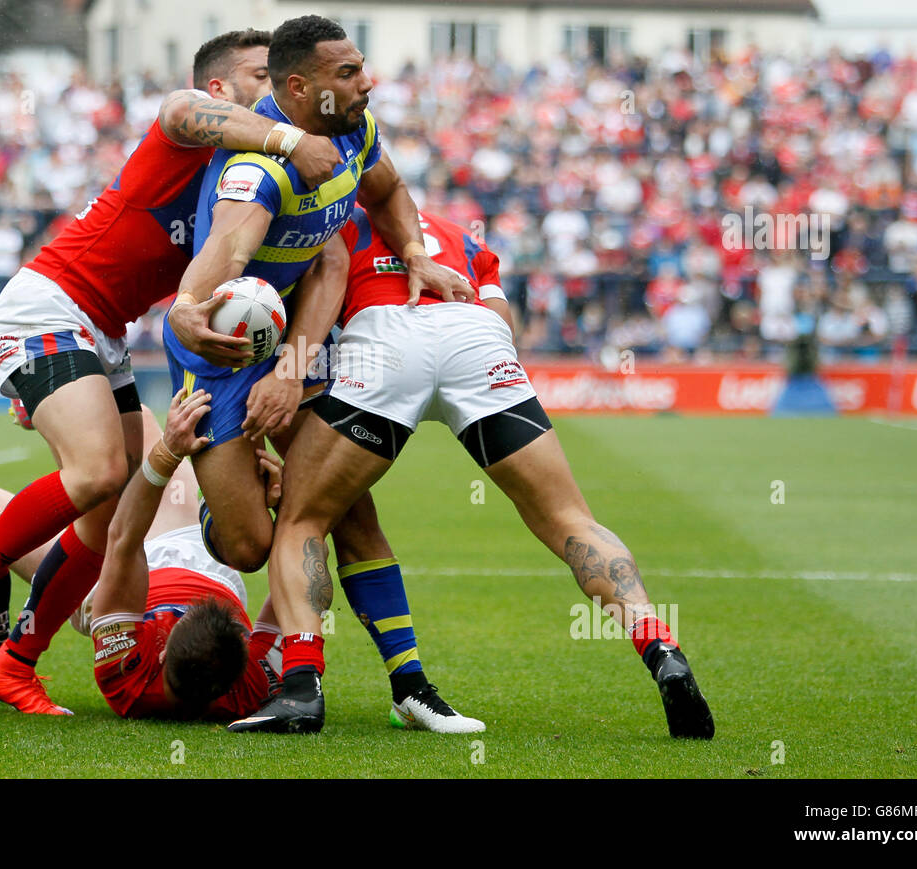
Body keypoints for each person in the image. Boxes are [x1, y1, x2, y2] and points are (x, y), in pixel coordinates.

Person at [0, 29, 346, 715]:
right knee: (99, 473)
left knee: (105, 514)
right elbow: (177, 109)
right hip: (54, 301)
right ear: (221, 91)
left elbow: (324, 256)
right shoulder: (193, 133)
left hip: (102, 332)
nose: (278, 86)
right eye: (262, 75)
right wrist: (288, 138)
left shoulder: (246, 178)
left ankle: (11, 665)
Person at [229, 208, 715, 739]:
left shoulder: (335, 218)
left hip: (389, 334)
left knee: (303, 519)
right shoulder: (464, 237)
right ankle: (658, 644)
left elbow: (323, 282)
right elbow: (505, 325)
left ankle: (301, 686)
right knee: (570, 518)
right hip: (479, 341)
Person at [0, 400, 482, 730]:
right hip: (161, 568)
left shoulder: (127, 675)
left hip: (121, 580)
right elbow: (302, 590)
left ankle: (39, 397)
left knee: (127, 427)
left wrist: (166, 459)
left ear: (162, 643)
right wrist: (293, 513)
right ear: (239, 647)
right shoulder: (253, 686)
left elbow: (123, 538)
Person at [163, 15, 472, 588]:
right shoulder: (258, 167)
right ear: (301, 88)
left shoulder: (355, 127)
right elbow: (228, 251)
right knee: (248, 546)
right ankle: (221, 509)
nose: (368, 83)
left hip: (297, 330)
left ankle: (371, 673)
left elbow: (390, 191)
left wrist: (415, 251)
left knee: (346, 510)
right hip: (226, 343)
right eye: (350, 73)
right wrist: (186, 304)